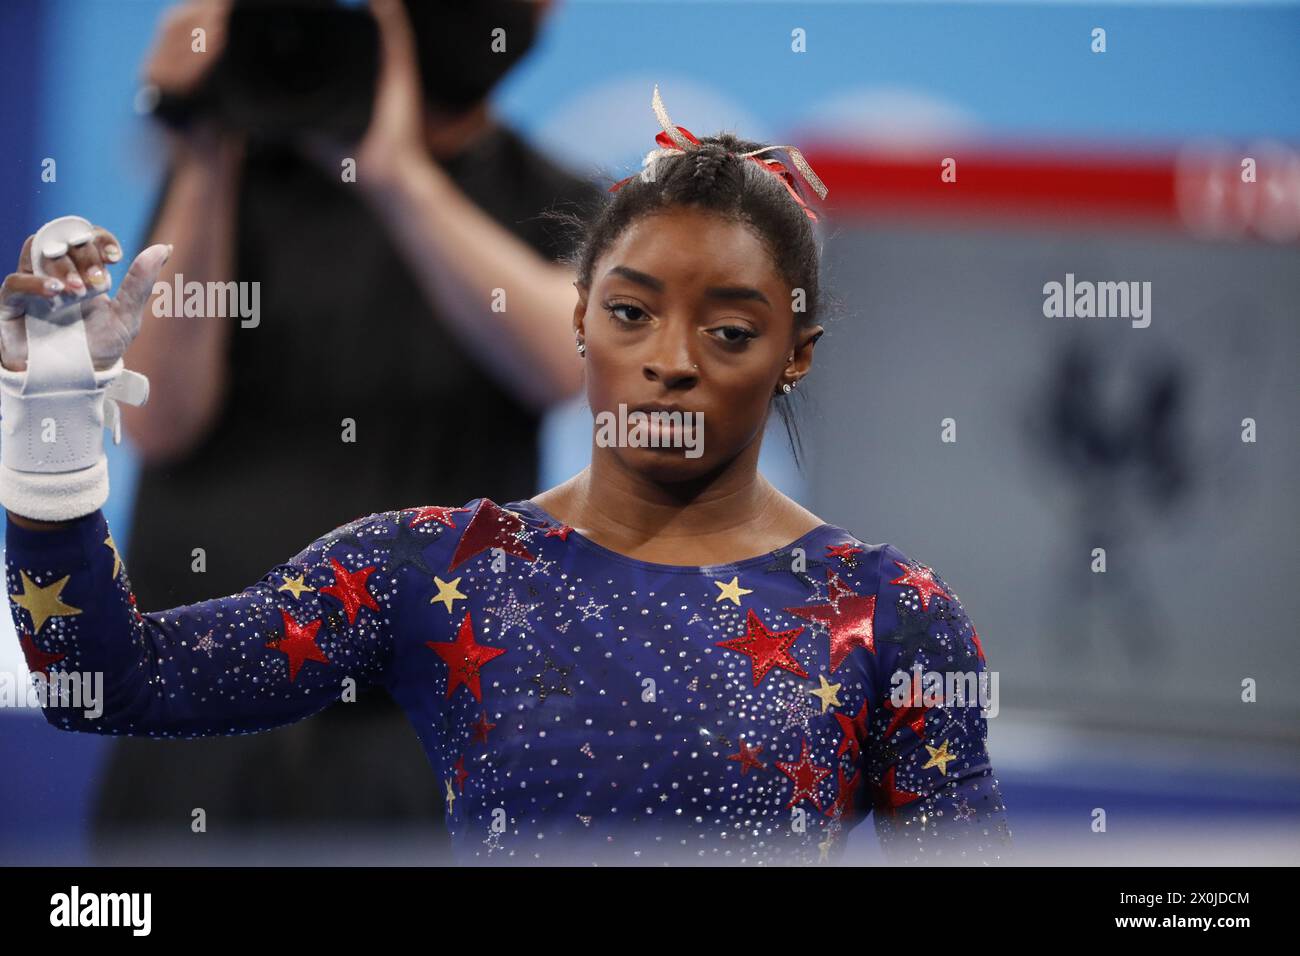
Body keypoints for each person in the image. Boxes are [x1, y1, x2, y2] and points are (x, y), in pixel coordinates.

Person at [0, 85, 1013, 865]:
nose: (672, 356)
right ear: (579, 319)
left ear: (797, 351)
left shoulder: (889, 612)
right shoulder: (441, 564)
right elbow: (111, 682)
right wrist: (51, 439)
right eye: (630, 311)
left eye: (732, 328)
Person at [92, 0, 601, 858]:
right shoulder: (233, 183)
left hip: (414, 741)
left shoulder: (544, 194)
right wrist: (203, 138)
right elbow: (155, 416)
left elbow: (568, 359)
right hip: (195, 725)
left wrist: (396, 175)